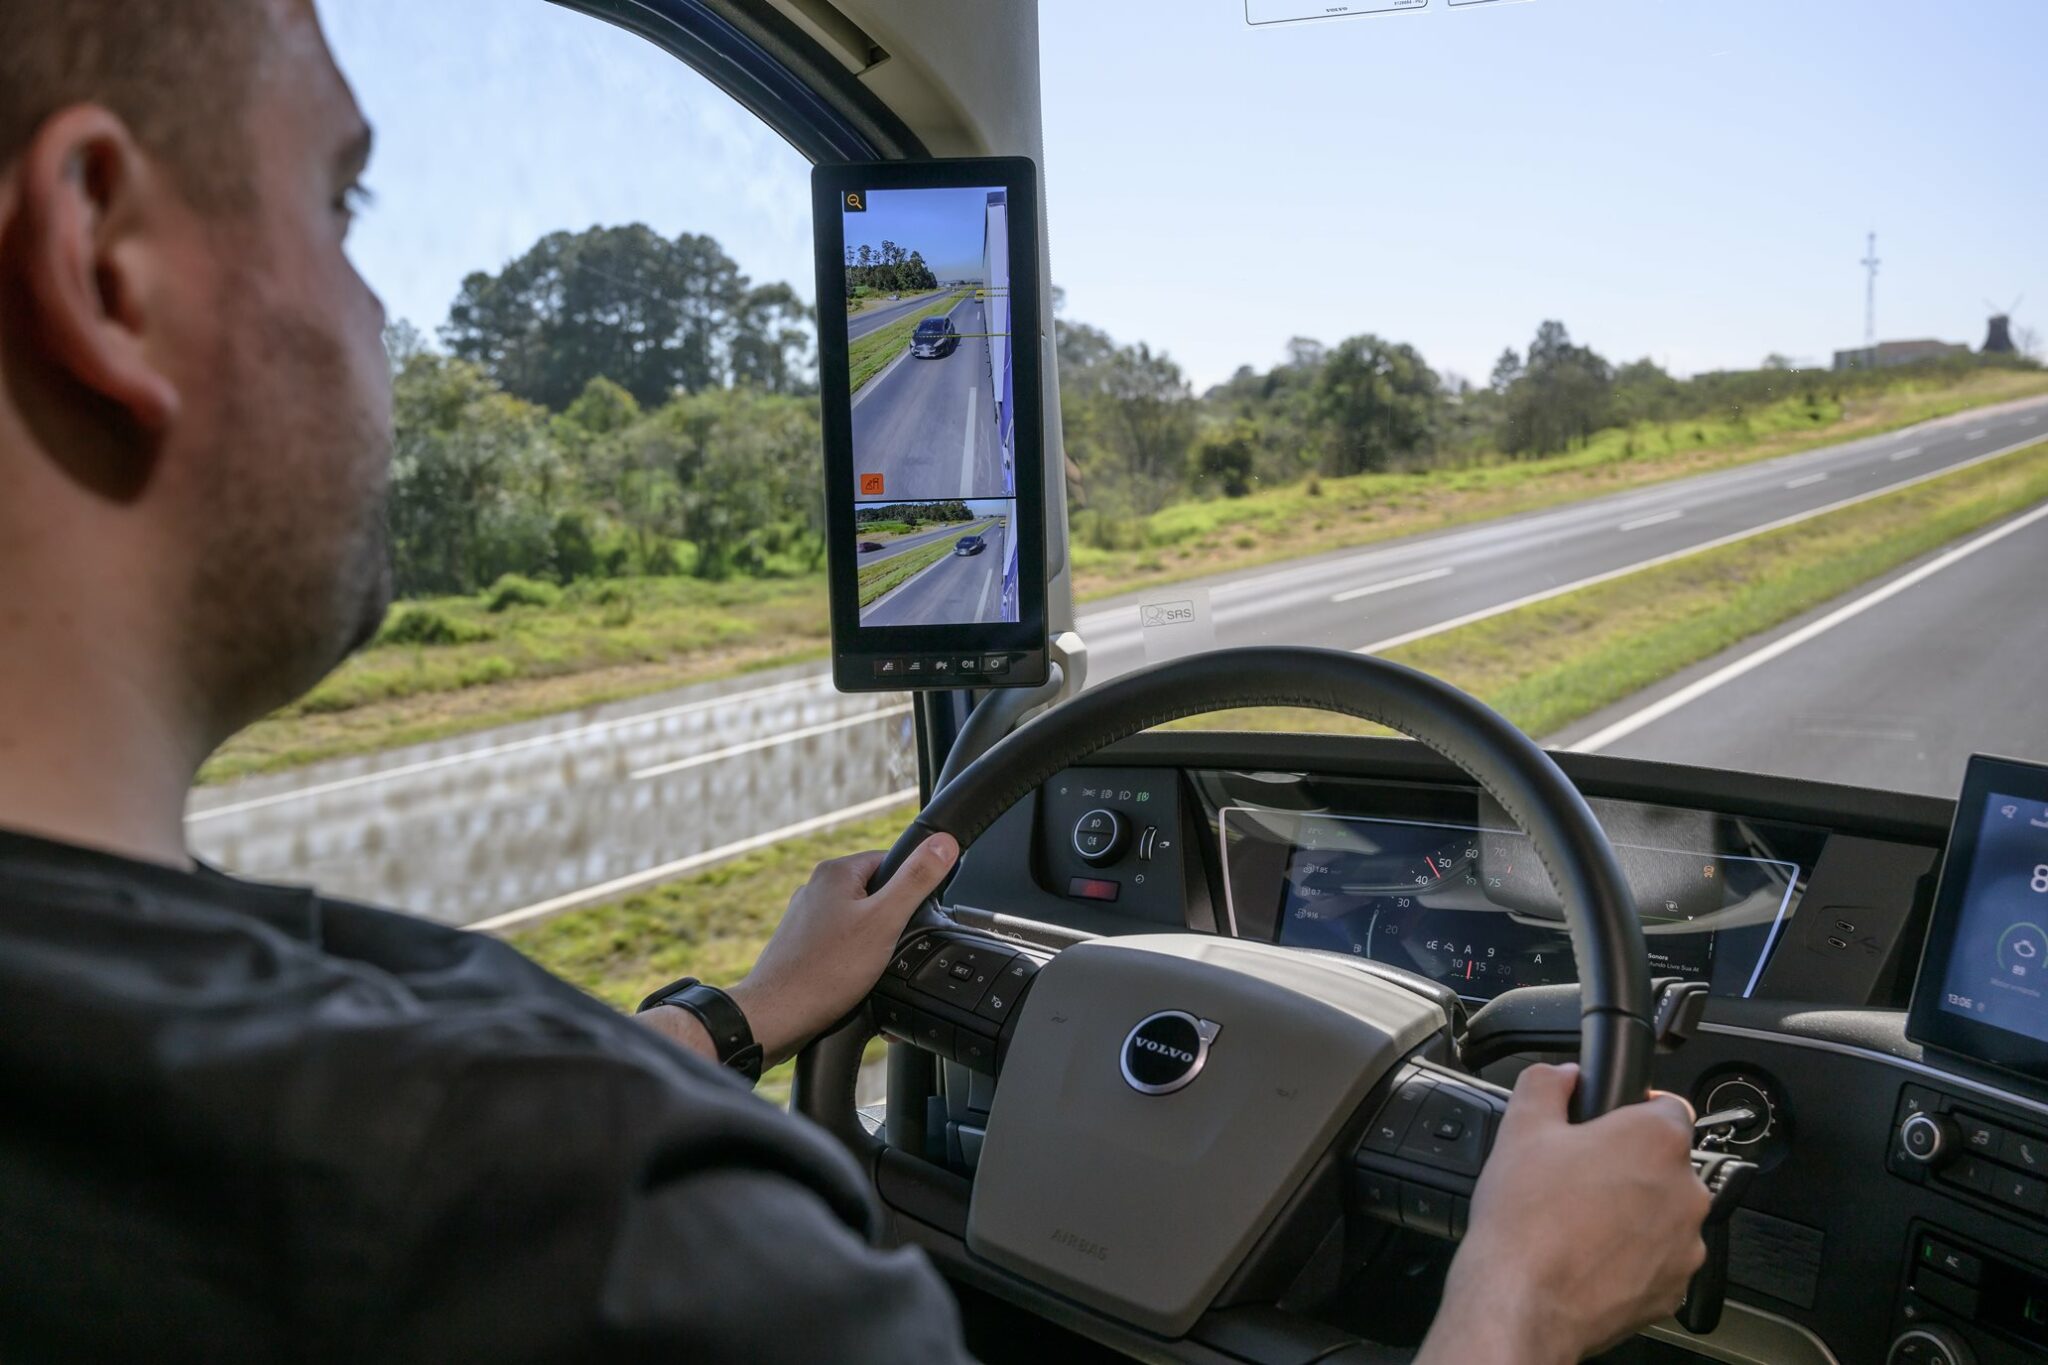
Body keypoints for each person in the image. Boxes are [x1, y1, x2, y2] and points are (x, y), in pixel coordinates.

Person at [0, 2, 1711, 1360]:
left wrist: (738, 1018)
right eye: (340, 202)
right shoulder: (623, 1241)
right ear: (103, 260)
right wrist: (1517, 1304)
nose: (385, 317)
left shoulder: (255, 1082)